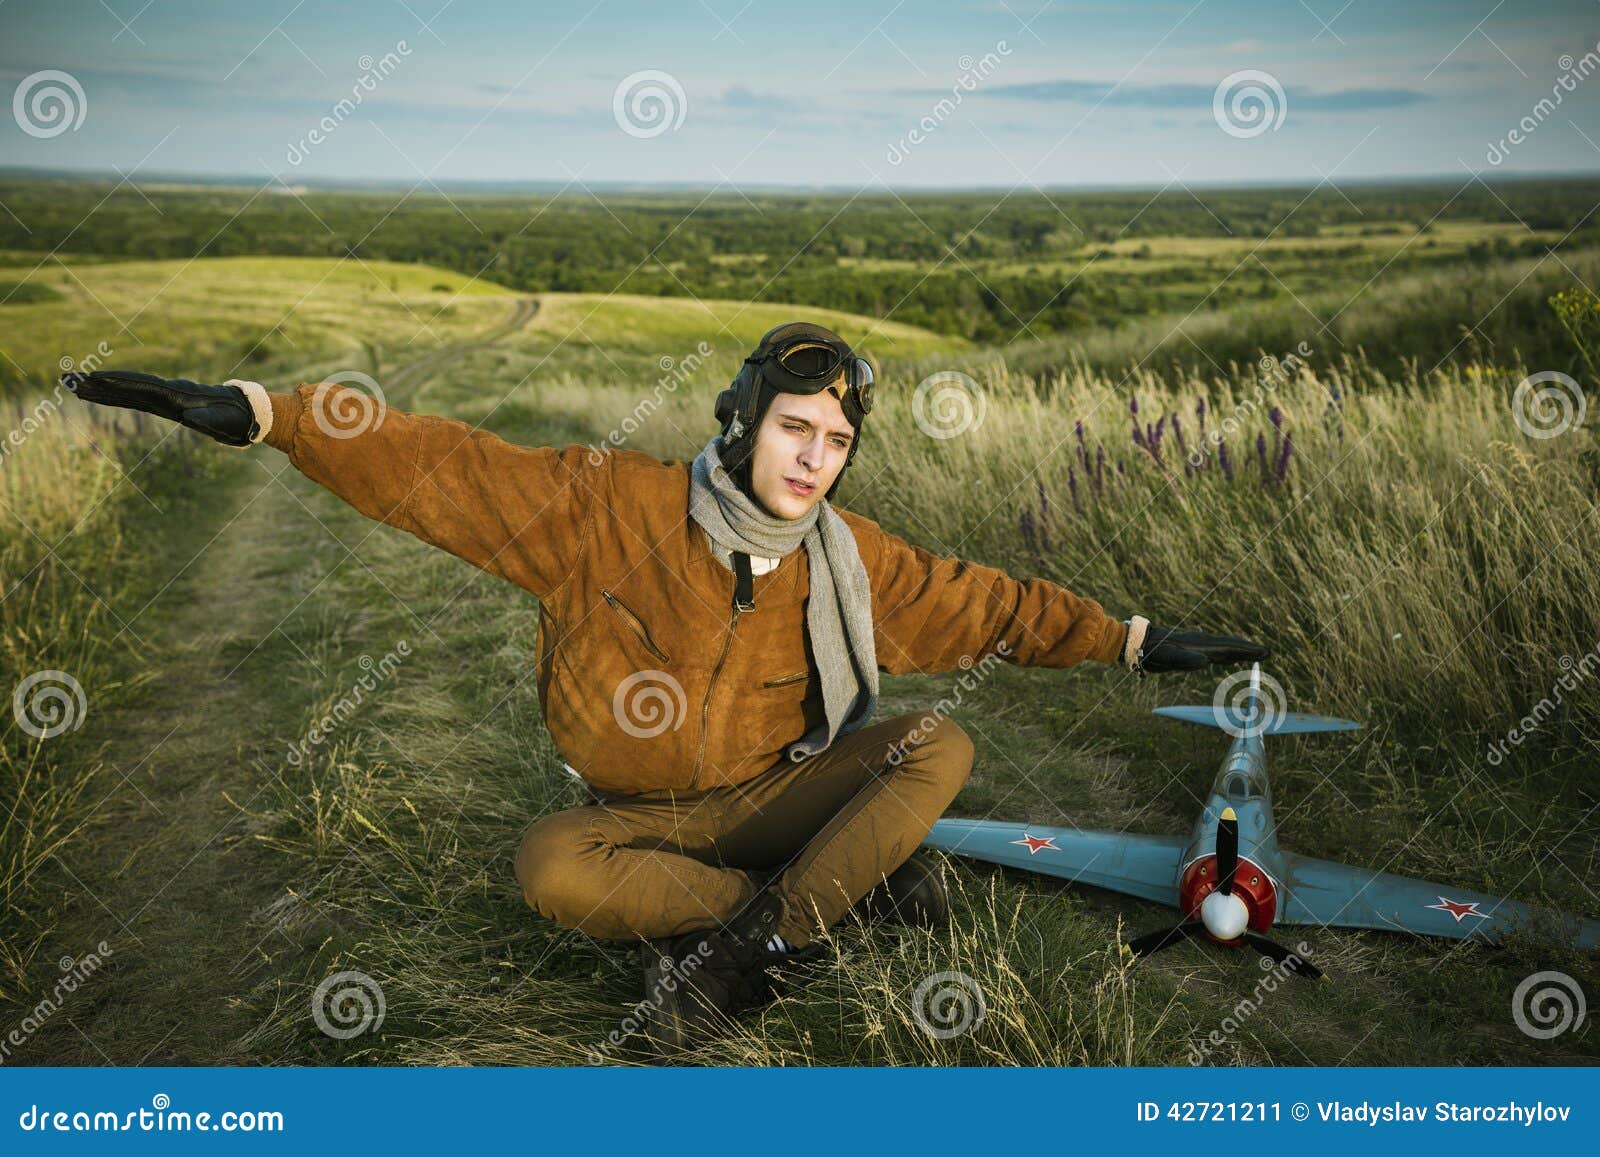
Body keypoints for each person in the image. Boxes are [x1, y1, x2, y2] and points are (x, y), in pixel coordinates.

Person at [63, 320, 1266, 1055]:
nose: (812, 459)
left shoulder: (851, 558)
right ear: (743, 421)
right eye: (794, 428)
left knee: (932, 746)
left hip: (773, 790)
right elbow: (442, 466)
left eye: (835, 442)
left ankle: (755, 939)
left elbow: (985, 603)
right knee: (548, 867)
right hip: (629, 811)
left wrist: (1129, 637)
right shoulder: (607, 508)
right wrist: (271, 416)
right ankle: (822, 897)